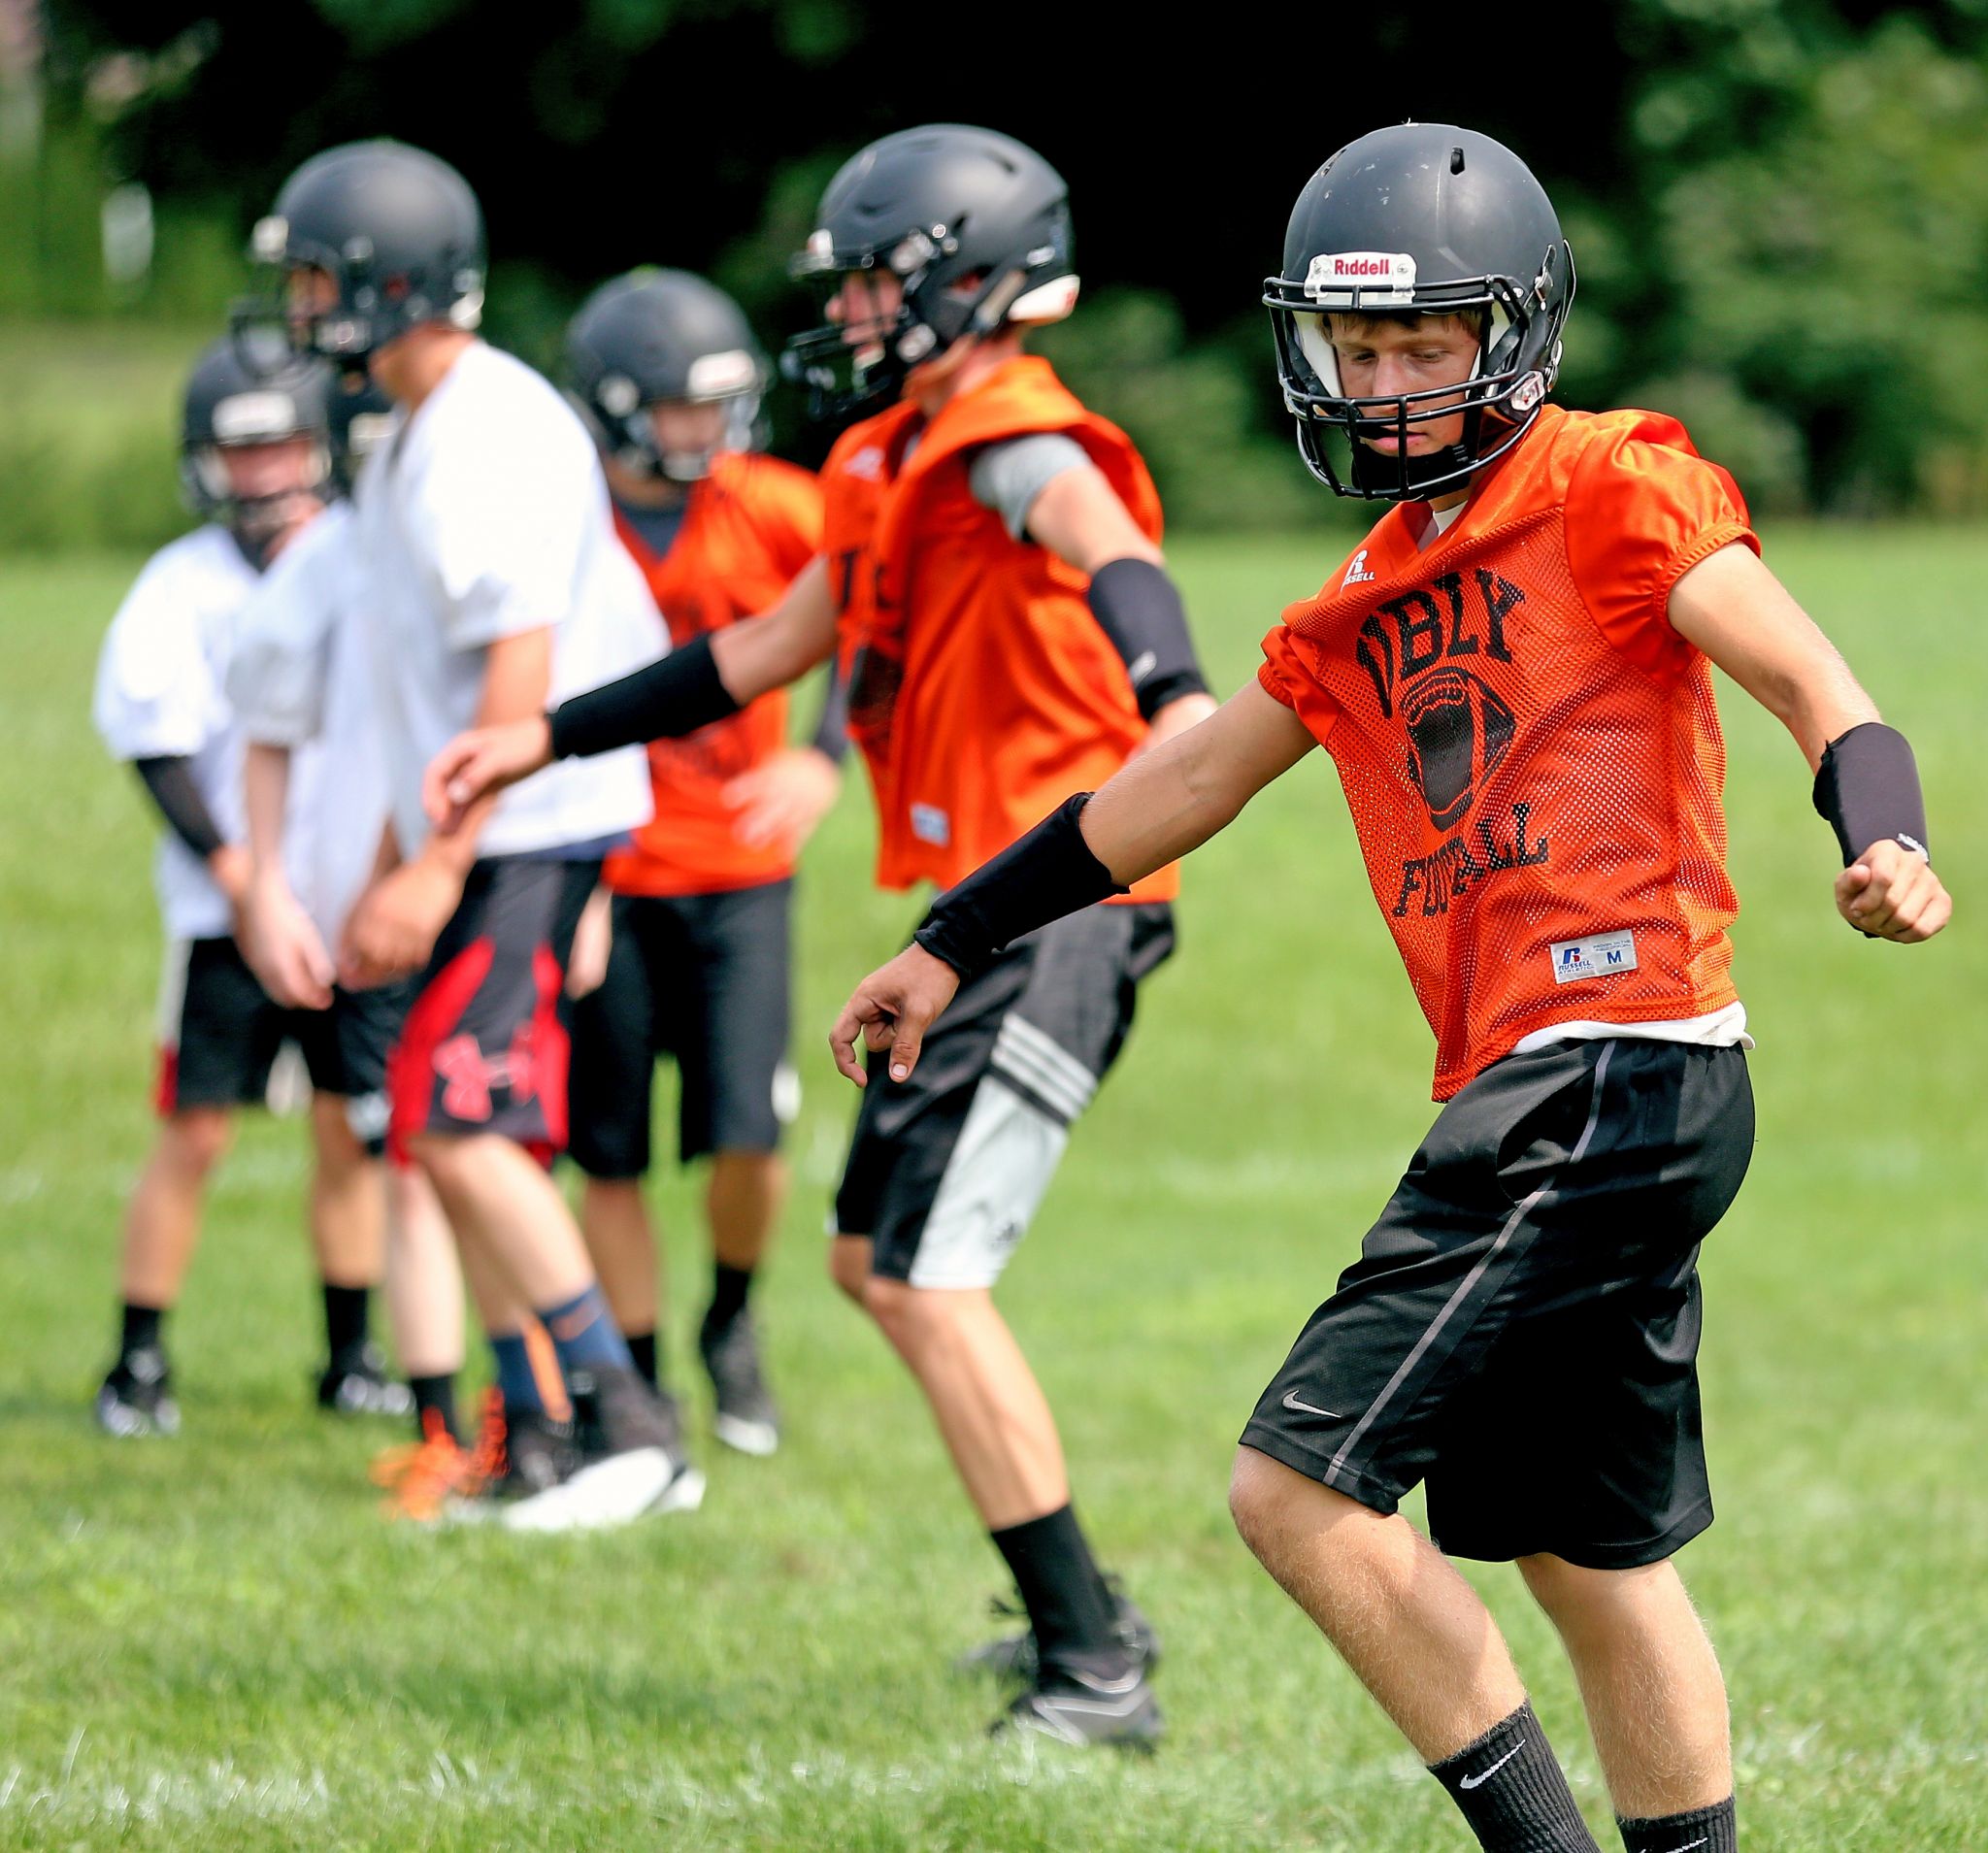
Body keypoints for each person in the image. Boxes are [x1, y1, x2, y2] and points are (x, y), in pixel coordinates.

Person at [823, 124, 1950, 1847]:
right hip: (1584, 1082)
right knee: (1587, 1553)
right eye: (1361, 348)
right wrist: (947, 936)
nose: (1393, 382)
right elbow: (1175, 787)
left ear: (1517, 334)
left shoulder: (1613, 484)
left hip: (1606, 1060)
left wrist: (1882, 834)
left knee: (1289, 1492)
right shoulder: (1353, 600)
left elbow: (1814, 680)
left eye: (1428, 342)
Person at [425, 125, 1217, 1740]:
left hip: (1066, 900)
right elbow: (758, 648)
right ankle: (1085, 1611)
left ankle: (1093, 1660)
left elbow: (1104, 540)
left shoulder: (1010, 431)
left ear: (967, 282)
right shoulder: (872, 463)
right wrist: (547, 734)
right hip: (971, 916)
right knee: (872, 1258)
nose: (849, 312)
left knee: (923, 1276)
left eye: (872, 282)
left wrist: (1174, 694)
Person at [240, 138, 698, 1530]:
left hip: (527, 827)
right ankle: (539, 1435)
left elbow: (518, 667)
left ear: (391, 281)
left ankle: (631, 1421)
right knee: (447, 1132)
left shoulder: (481, 434)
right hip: (492, 829)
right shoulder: (415, 433)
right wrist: (392, 872)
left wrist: (439, 865)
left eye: (320, 279)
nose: (304, 309)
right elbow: (410, 702)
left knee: (458, 1117)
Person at [91, 337, 407, 1437]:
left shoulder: (368, 566)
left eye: (282, 443)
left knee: (351, 1130)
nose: (265, 469)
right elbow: (156, 743)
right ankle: (136, 1359)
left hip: (349, 907)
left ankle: (352, 1353)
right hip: (227, 909)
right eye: (242, 449)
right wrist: (245, 885)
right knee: (198, 1129)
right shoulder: (183, 585)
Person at [562, 269, 837, 1455]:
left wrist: (823, 757)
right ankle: (634, 1372)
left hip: (739, 865)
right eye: (680, 407)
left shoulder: (772, 502)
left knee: (748, 1134)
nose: (704, 430)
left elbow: (877, 612)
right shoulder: (560, 515)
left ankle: (727, 1316)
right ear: (619, 405)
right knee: (605, 1146)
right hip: (605, 875)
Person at [227, 375, 475, 1475]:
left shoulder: (490, 533)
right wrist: (266, 886)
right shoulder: (329, 562)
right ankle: (443, 1423)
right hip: (368, 923)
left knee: (483, 1159)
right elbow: (266, 724)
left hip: (488, 897)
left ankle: (552, 1409)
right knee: (407, 1155)